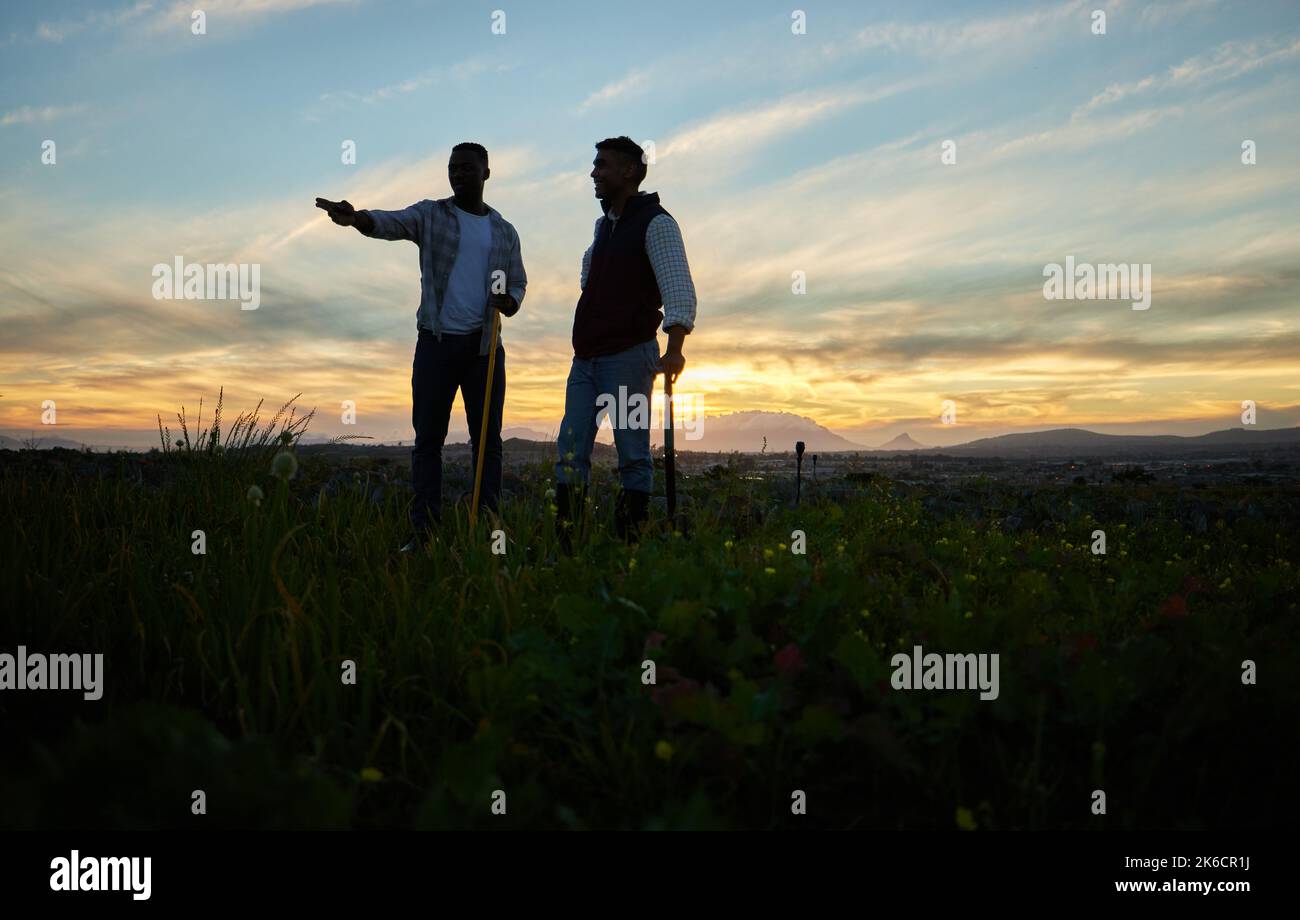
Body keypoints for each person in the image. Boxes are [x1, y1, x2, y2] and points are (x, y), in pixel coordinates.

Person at [315, 142, 527, 551]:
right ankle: (424, 534)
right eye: (452, 168)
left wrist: (511, 302)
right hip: (437, 345)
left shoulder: (504, 231)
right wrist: (357, 218)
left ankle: (487, 533)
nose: (457, 174)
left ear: (487, 172)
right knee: (428, 441)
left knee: (488, 444)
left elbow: (517, 281)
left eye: (466, 168)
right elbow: (393, 222)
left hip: (484, 349)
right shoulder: (433, 215)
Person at [554, 136, 697, 547]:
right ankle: (568, 544)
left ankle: (629, 544)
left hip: (630, 359)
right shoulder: (603, 227)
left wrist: (674, 350)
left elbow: (678, 287)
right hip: (585, 362)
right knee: (570, 449)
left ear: (629, 171)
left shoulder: (657, 223)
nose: (594, 173)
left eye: (602, 165)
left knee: (632, 453)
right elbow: (588, 279)